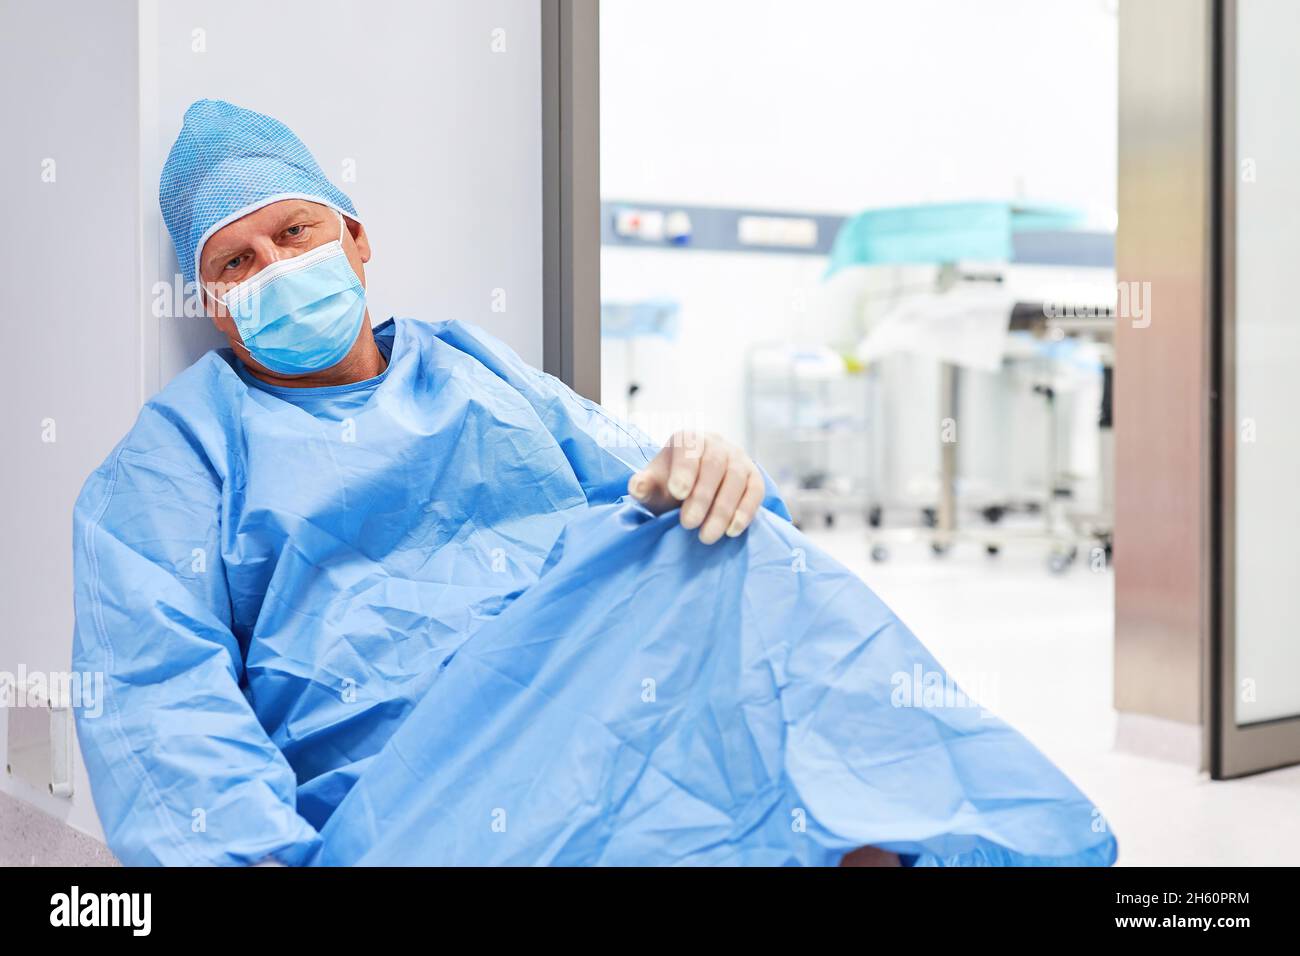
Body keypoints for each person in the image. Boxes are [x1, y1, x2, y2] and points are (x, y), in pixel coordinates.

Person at [70, 99, 1118, 867]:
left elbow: (638, 486)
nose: (273, 267)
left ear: (355, 238)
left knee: (735, 545)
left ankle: (883, 841)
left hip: (586, 703)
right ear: (214, 308)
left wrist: (705, 474)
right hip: (410, 786)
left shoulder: (471, 369)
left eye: (292, 233)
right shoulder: (178, 458)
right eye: (237, 263)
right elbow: (157, 698)